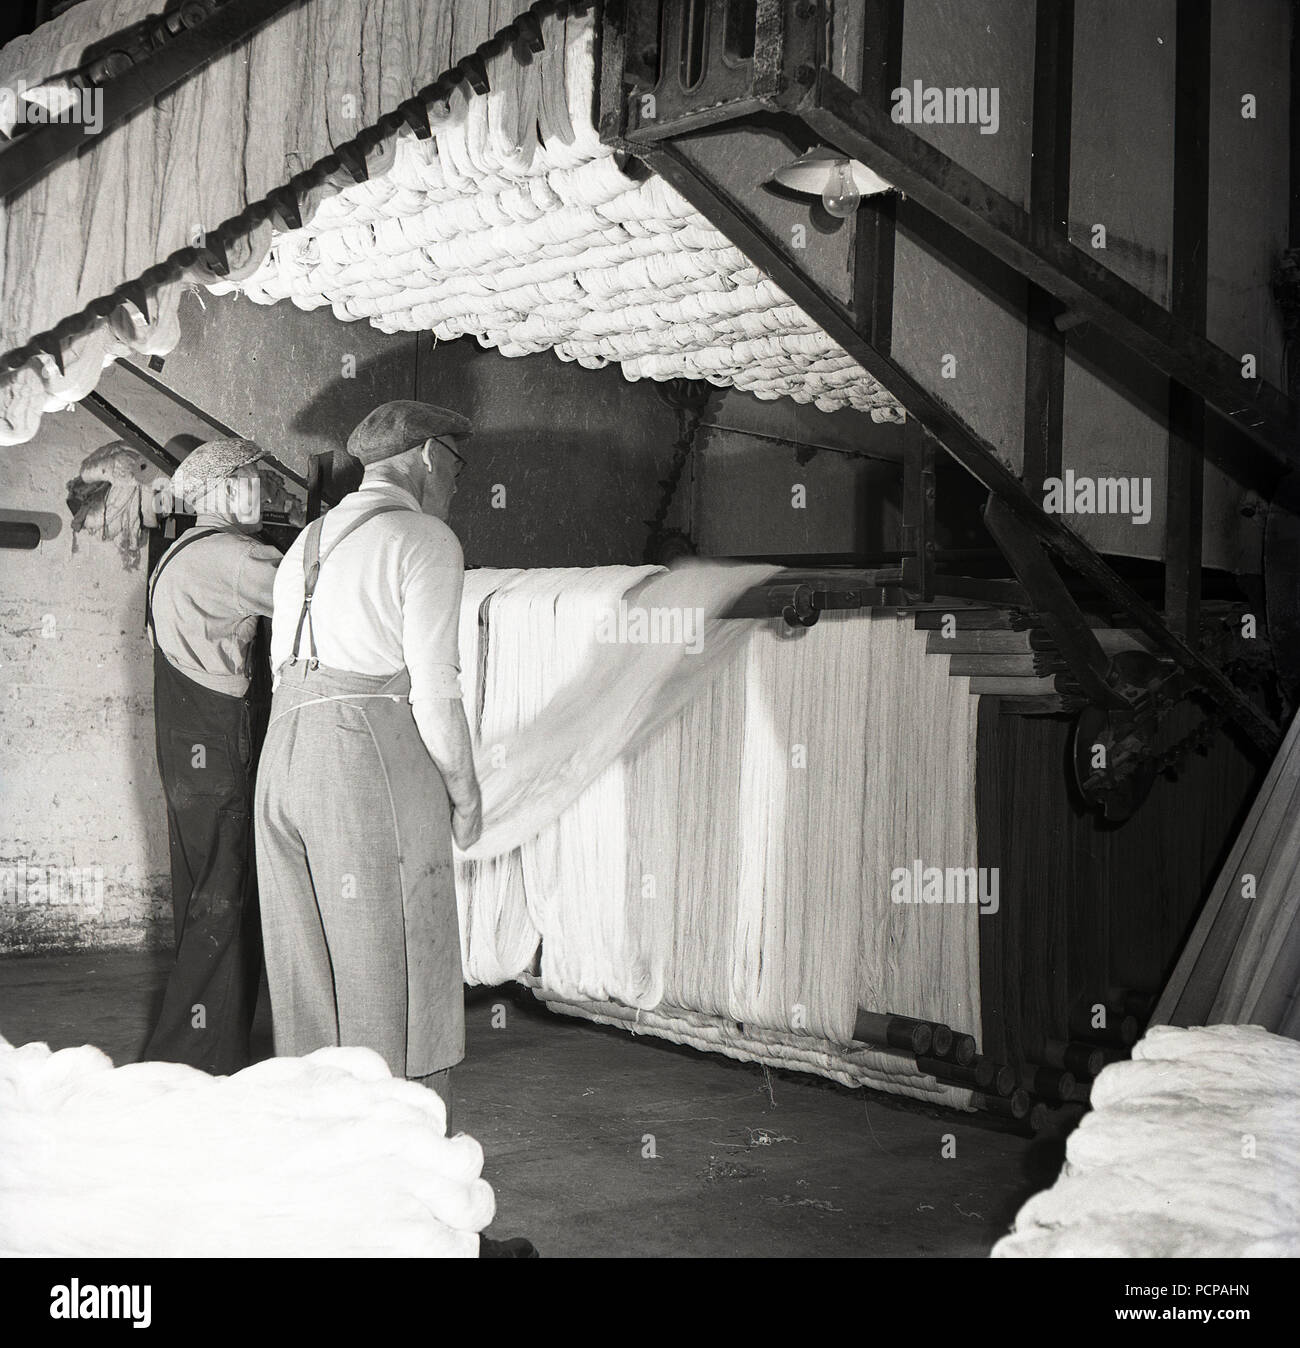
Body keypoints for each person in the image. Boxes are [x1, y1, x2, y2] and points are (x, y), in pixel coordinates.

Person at [254, 401, 482, 1116]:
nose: (458, 484)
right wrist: (467, 796)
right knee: (399, 976)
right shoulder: (424, 538)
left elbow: (277, 672)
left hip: (284, 759)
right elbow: (434, 693)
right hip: (363, 761)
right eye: (457, 466)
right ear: (429, 457)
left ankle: (327, 1190)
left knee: (309, 983)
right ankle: (409, 1203)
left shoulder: (306, 544)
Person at [143, 437, 280, 1075]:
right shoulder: (235, 556)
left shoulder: (179, 552)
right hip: (218, 741)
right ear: (224, 491)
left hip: (182, 742)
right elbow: (315, 597)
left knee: (205, 891)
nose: (265, 489)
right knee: (227, 897)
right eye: (253, 479)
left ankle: (206, 1050)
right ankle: (194, 1061)